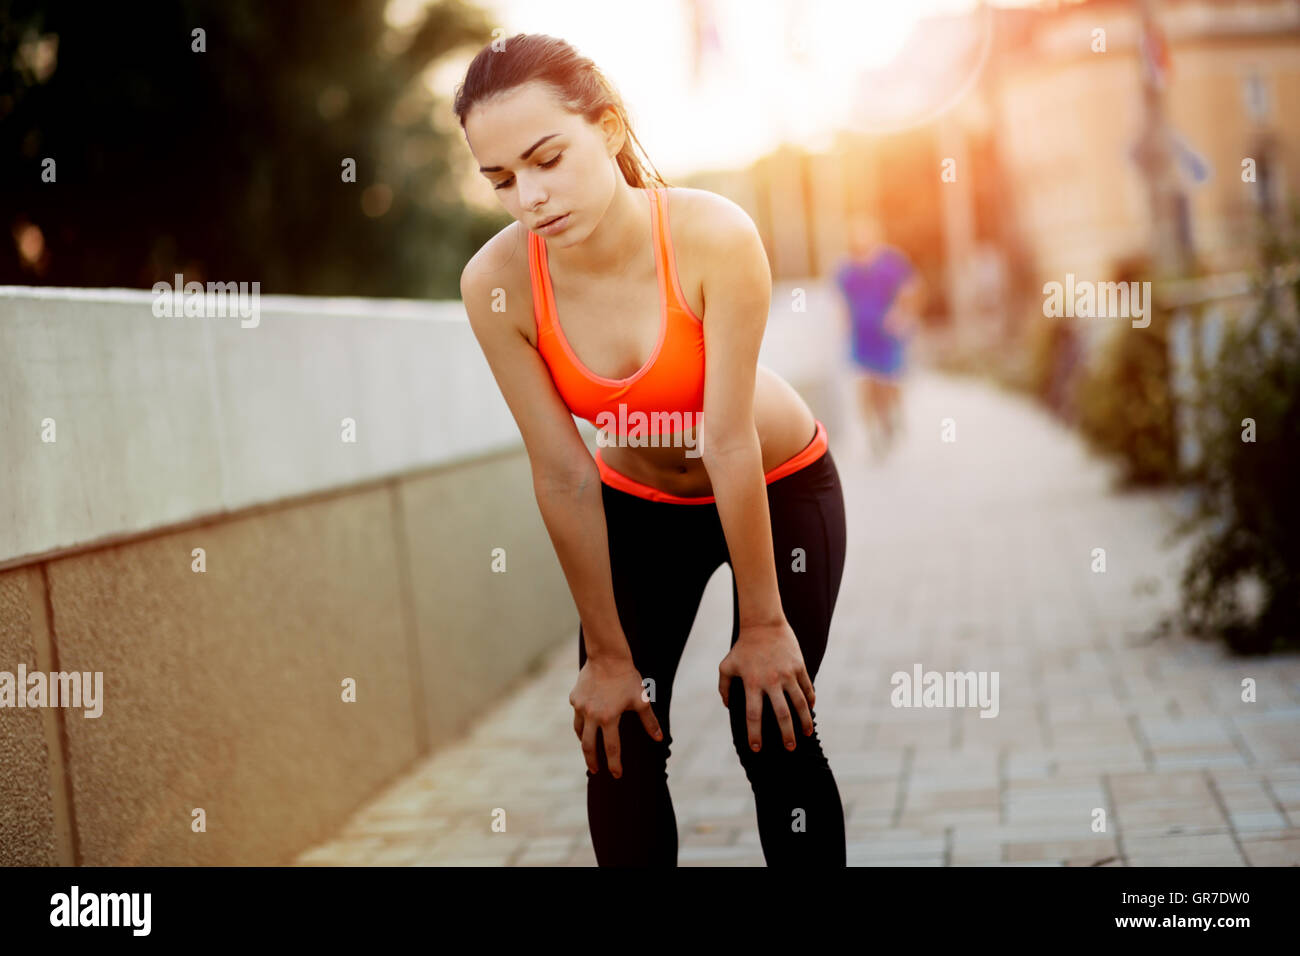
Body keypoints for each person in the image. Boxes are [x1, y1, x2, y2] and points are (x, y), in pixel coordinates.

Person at [453, 33, 846, 866]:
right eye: (501, 179)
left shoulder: (713, 235)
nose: (529, 196)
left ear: (611, 128)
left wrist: (765, 623)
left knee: (771, 726)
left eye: (547, 158)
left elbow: (727, 440)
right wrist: (605, 655)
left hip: (776, 483)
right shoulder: (496, 285)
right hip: (642, 507)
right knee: (619, 742)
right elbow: (562, 472)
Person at [833, 217, 923, 459]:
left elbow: (910, 288)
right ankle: (873, 432)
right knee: (865, 385)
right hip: (861, 337)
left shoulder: (891, 262)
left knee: (888, 385)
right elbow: (842, 305)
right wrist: (842, 333)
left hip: (888, 334)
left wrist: (903, 317)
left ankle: (893, 415)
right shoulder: (845, 270)